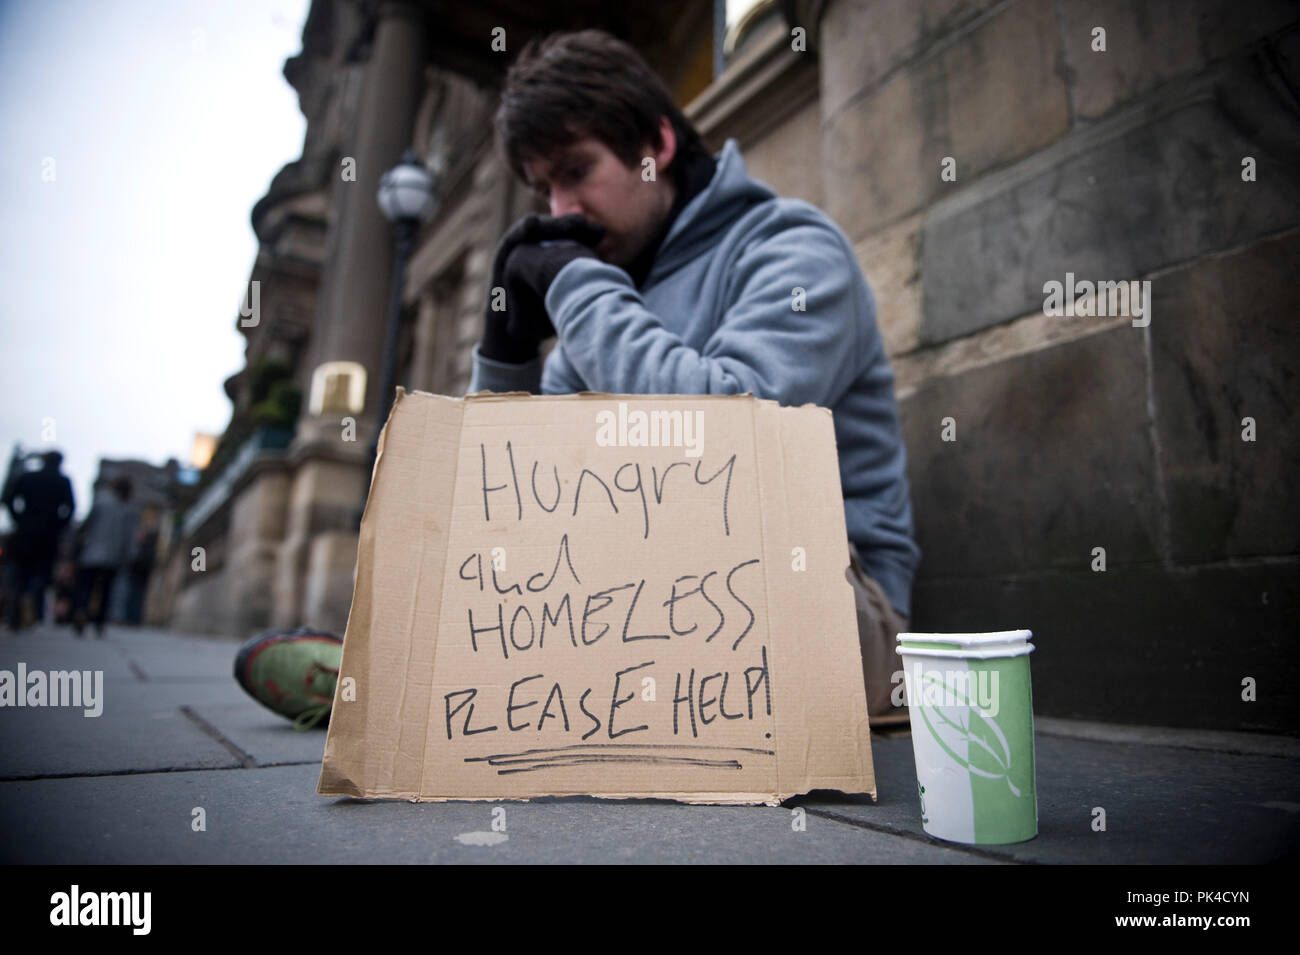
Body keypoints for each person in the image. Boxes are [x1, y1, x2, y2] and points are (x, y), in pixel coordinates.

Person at [468, 30, 922, 726]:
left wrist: (577, 290)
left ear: (656, 145)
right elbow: (507, 501)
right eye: (544, 188)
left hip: (829, 601)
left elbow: (726, 444)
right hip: (643, 600)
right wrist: (507, 354)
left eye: (577, 171)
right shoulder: (608, 303)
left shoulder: (793, 248)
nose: (561, 211)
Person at [2, 450, 76, 631]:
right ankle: (31, 594)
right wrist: (58, 524)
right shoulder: (62, 481)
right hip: (48, 535)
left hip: (25, 532)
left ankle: (15, 618)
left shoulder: (29, 477)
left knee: (20, 574)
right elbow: (70, 507)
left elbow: (8, 498)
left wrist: (19, 518)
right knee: (42, 573)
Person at [72, 475, 138, 637]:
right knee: (106, 590)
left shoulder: (101, 501)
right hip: (112, 557)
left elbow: (86, 524)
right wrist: (129, 556)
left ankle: (81, 611)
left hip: (92, 553)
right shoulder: (129, 509)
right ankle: (99, 622)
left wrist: (78, 543)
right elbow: (129, 537)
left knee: (86, 586)